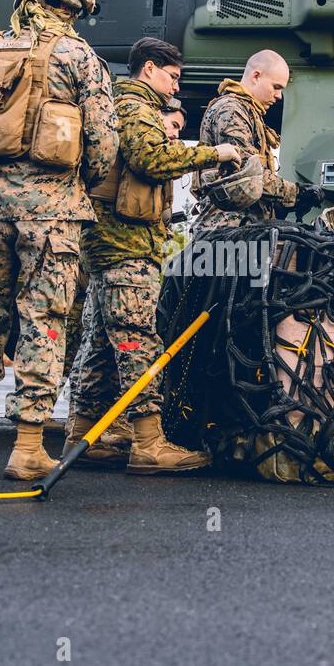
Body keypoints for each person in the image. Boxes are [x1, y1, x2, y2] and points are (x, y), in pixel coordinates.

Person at [0, 0, 118, 480]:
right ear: (68, 5)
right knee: (43, 320)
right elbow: (104, 145)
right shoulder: (80, 57)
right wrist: (76, 187)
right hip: (53, 213)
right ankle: (26, 447)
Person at [68, 38, 238, 473]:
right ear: (149, 69)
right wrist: (213, 153)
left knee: (102, 343)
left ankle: (85, 434)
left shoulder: (115, 104)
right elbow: (149, 158)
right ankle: (149, 442)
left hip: (110, 243)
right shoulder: (134, 108)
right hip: (126, 243)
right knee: (137, 339)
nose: (174, 86)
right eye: (172, 76)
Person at [193, 50, 322, 230]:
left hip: (243, 229)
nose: (279, 96)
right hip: (226, 230)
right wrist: (296, 192)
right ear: (256, 76)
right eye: (276, 87)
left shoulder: (249, 113)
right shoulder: (232, 111)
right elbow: (249, 175)